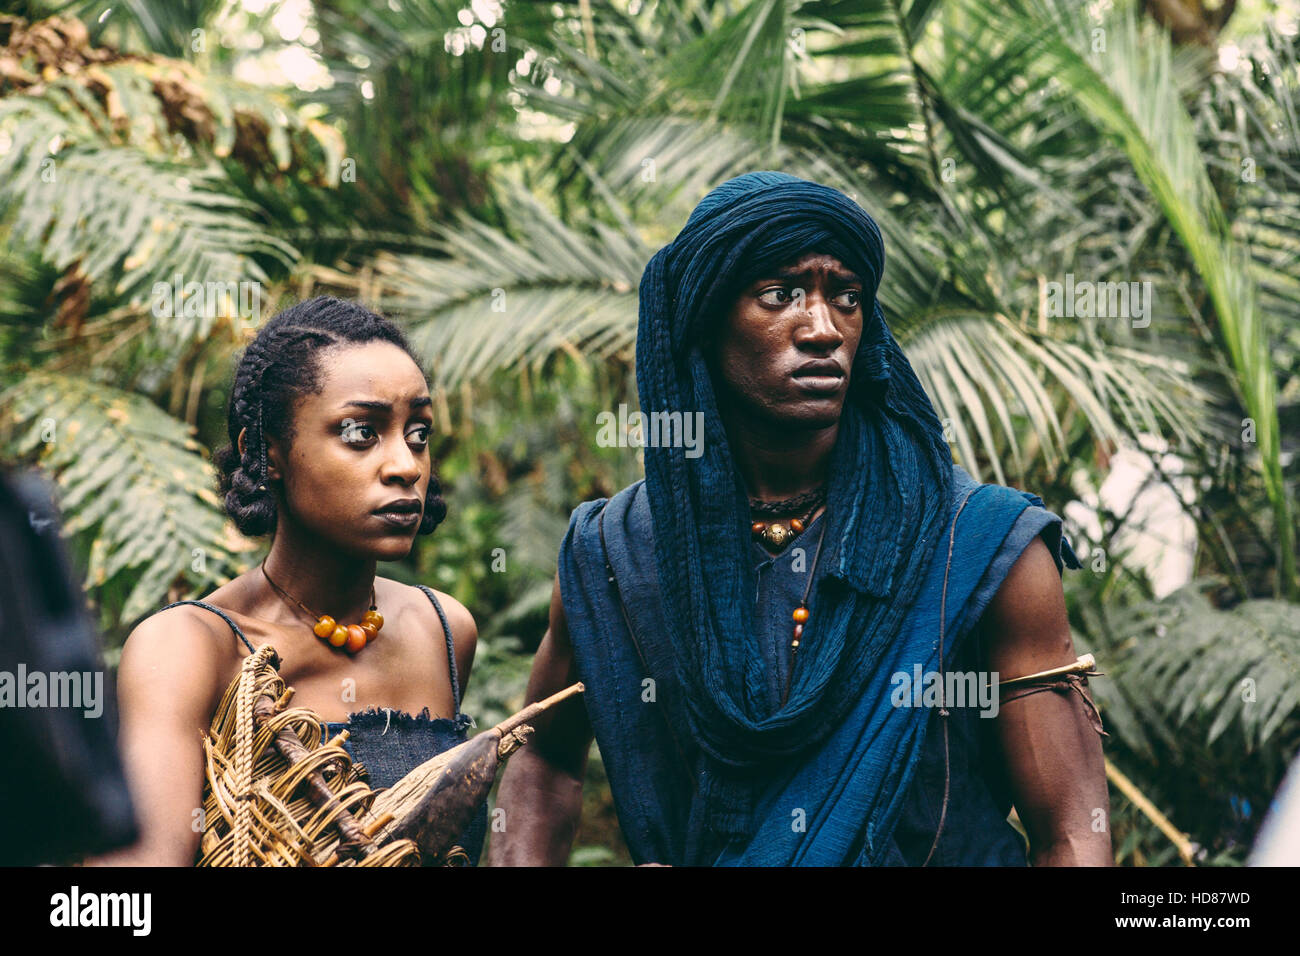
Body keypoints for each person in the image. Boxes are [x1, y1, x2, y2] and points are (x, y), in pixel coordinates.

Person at [489, 172, 1112, 867]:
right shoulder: (616, 554)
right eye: (780, 295)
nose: (822, 329)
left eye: (847, 298)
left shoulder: (980, 545)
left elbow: (1073, 832)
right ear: (706, 315)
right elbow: (544, 760)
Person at [93, 296, 486, 866]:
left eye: (418, 433)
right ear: (267, 453)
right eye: (360, 432)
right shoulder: (193, 649)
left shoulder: (443, 630)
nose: (405, 464)